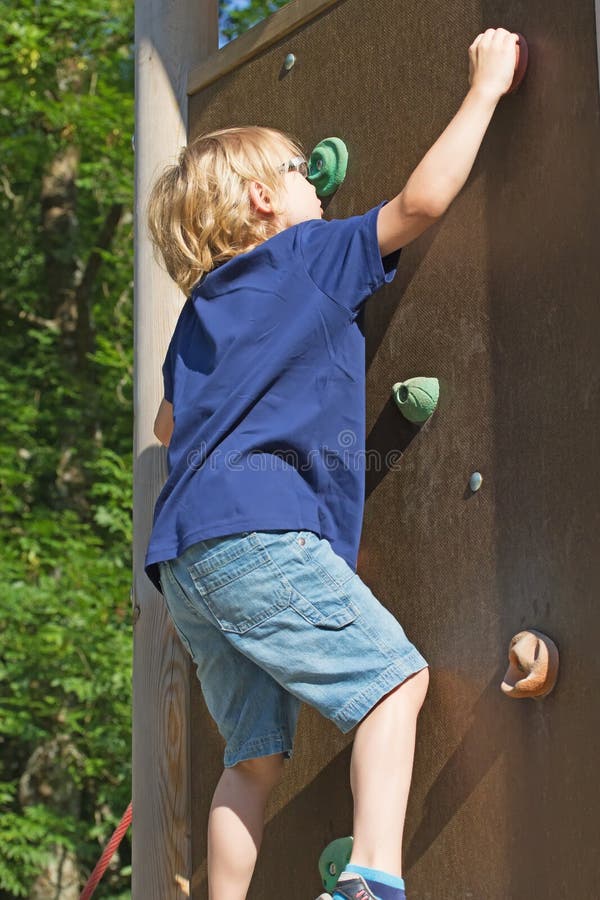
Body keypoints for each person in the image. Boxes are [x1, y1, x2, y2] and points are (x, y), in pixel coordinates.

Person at [144, 27, 520, 900]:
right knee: (396, 683)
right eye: (300, 174)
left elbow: (168, 428)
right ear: (260, 202)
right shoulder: (307, 256)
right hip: (261, 535)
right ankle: (371, 879)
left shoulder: (198, 317)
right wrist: (487, 89)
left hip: (187, 561)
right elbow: (421, 204)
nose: (314, 186)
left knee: (253, 756)